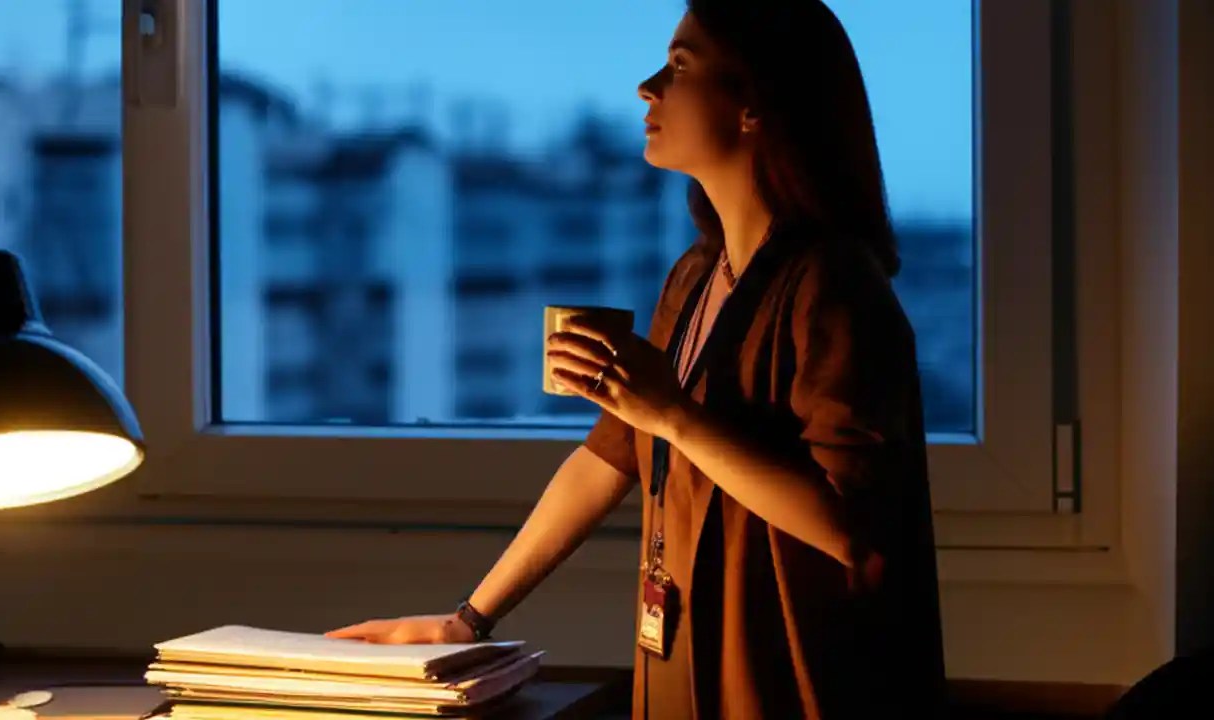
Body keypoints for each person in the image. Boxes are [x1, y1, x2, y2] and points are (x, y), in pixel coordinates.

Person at [327, 0, 947, 716]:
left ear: (752, 105)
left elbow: (853, 527)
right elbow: (610, 457)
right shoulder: (694, 278)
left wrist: (674, 414)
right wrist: (465, 621)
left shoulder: (834, 288)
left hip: (791, 683)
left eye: (679, 68)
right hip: (686, 662)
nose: (646, 88)